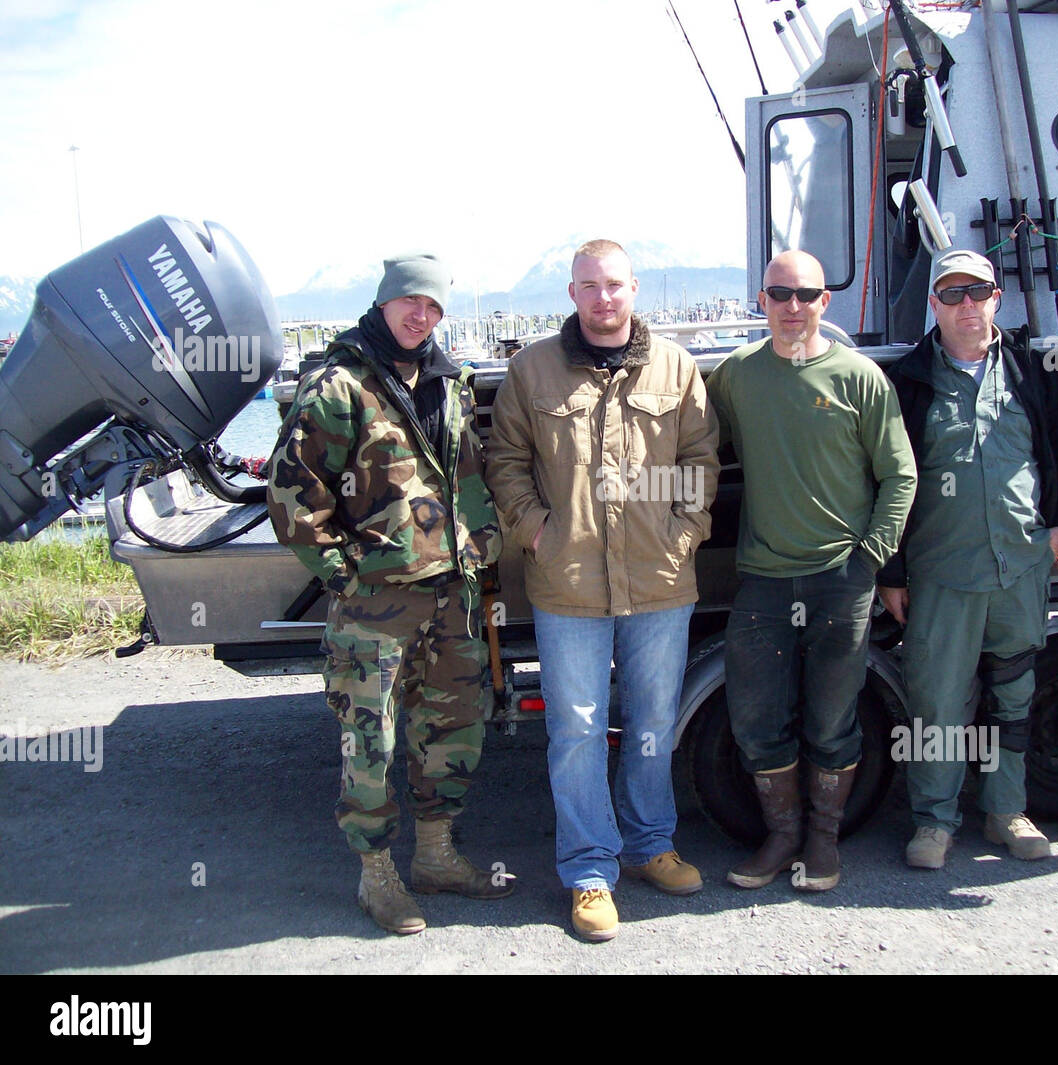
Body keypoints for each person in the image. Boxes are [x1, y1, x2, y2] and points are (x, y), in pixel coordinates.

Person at [268, 254, 510, 935]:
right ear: (383, 302)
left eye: (432, 306)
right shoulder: (340, 386)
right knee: (369, 737)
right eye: (409, 302)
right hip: (376, 602)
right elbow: (293, 496)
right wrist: (345, 572)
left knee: (454, 725)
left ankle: (435, 854)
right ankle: (377, 877)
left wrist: (481, 542)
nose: (420, 315)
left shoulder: (447, 379)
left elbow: (467, 471)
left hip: (451, 593)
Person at [485, 239, 719, 941]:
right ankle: (589, 870)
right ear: (572, 294)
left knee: (652, 722)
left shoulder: (676, 367)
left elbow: (700, 459)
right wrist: (538, 533)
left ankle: (651, 844)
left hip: (661, 579)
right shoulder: (531, 371)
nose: (603, 297)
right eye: (589, 285)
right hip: (568, 585)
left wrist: (682, 534)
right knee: (578, 730)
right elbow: (505, 462)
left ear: (635, 288)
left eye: (614, 284)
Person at [706, 249, 916, 892]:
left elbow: (899, 474)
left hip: (839, 580)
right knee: (755, 718)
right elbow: (692, 448)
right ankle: (780, 836)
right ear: (761, 301)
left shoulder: (860, 378)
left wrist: (870, 560)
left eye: (806, 295)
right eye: (779, 294)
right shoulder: (736, 375)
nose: (792, 307)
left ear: (827, 301)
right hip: (764, 581)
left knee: (832, 718)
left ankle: (823, 842)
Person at [878, 248, 1058, 870]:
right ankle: (934, 821)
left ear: (998, 298)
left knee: (1014, 696)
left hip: (1021, 568)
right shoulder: (908, 382)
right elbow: (884, 477)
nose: (967, 304)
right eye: (952, 293)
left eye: (979, 292)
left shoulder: (1031, 368)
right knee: (937, 702)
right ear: (933, 304)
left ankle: (1005, 811)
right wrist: (892, 571)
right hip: (943, 575)